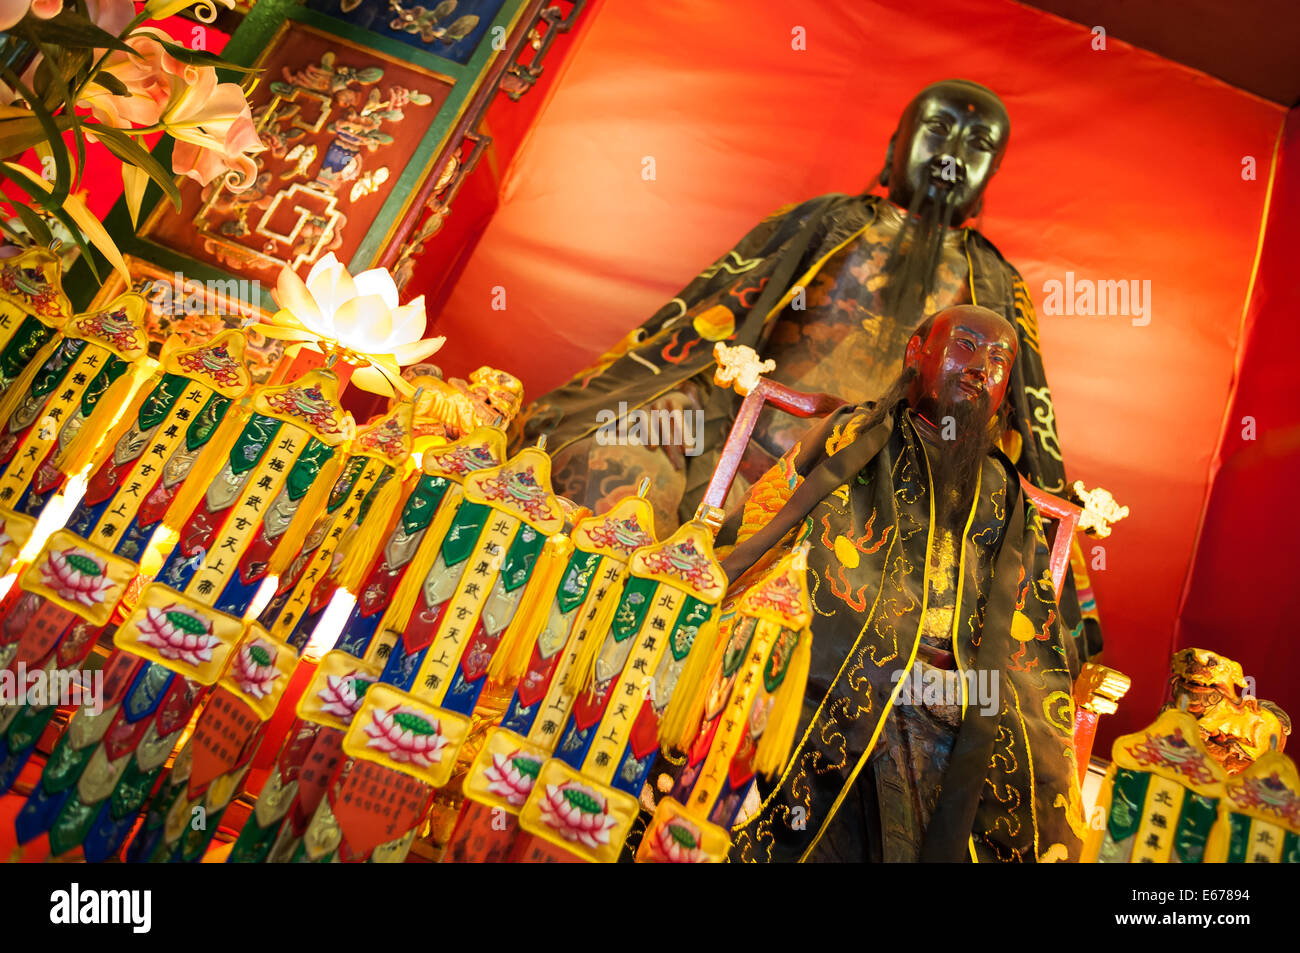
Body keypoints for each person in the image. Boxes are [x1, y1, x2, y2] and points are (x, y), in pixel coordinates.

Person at [516, 78, 1101, 659]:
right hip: (737, 437)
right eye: (938, 130)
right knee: (615, 444)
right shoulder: (826, 221)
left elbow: (1014, 420)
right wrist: (696, 395)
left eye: (978, 144)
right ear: (897, 145)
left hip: (872, 487)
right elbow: (713, 325)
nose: (953, 154)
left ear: (989, 177)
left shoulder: (995, 284)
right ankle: (584, 644)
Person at [722, 305, 1087, 862]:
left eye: (997, 361)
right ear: (916, 353)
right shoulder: (858, 434)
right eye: (963, 346)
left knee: (1034, 770)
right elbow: (769, 520)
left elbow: (1030, 625)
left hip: (964, 687)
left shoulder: (1005, 492)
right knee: (795, 711)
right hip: (847, 651)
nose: (978, 370)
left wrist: (970, 674)